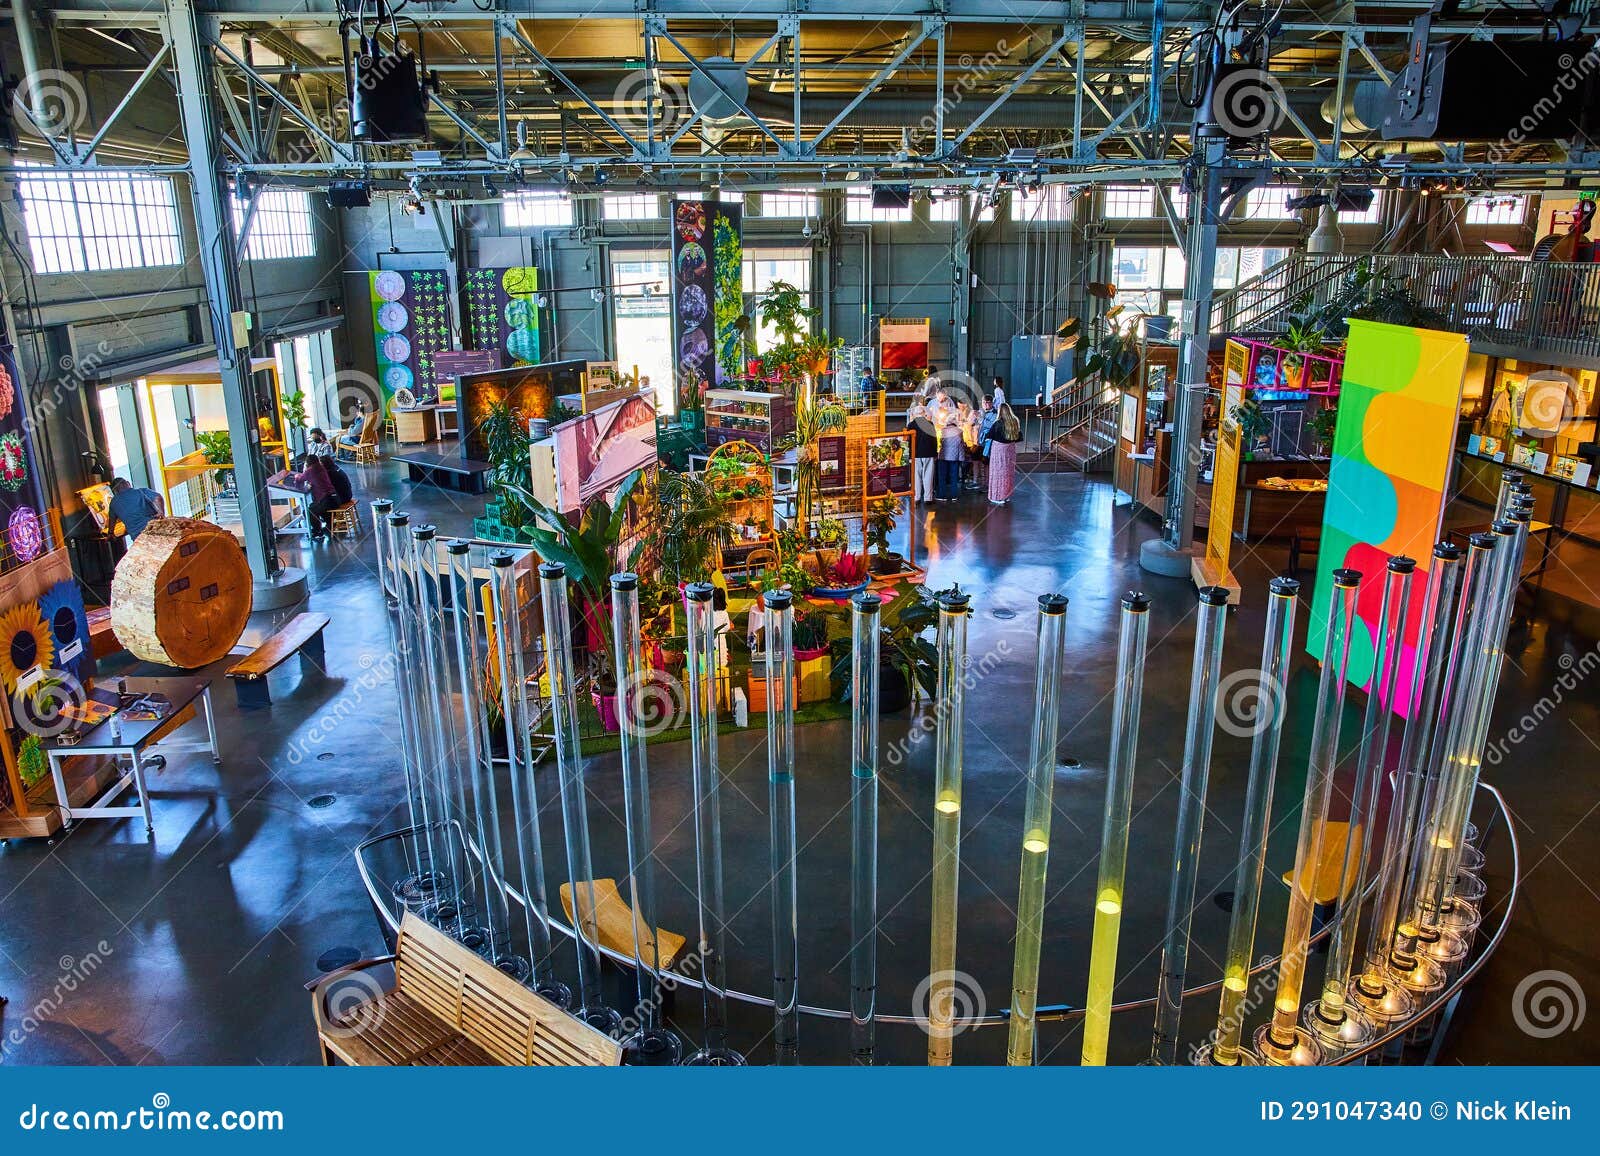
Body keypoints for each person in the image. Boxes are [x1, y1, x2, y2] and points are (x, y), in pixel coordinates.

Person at [291, 453, 337, 539]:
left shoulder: (310, 470)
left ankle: (317, 531)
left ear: (308, 463)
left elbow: (299, 478)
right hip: (334, 498)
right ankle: (329, 525)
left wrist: (297, 476)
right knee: (316, 507)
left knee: (308, 511)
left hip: (326, 500)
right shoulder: (321, 467)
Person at [107, 476, 164, 541]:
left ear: (115, 491)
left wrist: (110, 533)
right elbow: (158, 497)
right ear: (128, 483)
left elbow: (112, 520)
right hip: (155, 529)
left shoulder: (113, 503)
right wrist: (160, 512)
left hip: (138, 538)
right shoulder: (141, 492)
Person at [988, 402, 1023, 505]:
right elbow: (1019, 437)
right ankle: (1006, 495)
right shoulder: (1014, 421)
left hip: (998, 450)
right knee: (1008, 473)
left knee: (998, 473)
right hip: (1011, 449)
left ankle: (997, 496)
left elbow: (990, 435)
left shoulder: (998, 423)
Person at [908, 403, 938, 503]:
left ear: (915, 414)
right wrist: (935, 453)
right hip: (928, 453)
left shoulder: (911, 425)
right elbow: (934, 439)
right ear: (924, 413)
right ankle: (928, 498)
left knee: (916, 476)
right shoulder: (930, 424)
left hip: (915, 454)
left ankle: (916, 497)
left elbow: (909, 441)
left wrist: (909, 455)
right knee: (928, 476)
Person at [936, 402, 965, 502]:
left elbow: (941, 442)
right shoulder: (960, 431)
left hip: (943, 456)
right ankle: (954, 495)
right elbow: (961, 444)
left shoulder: (943, 430)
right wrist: (962, 457)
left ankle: (942, 495)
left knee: (942, 476)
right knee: (954, 477)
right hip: (955, 457)